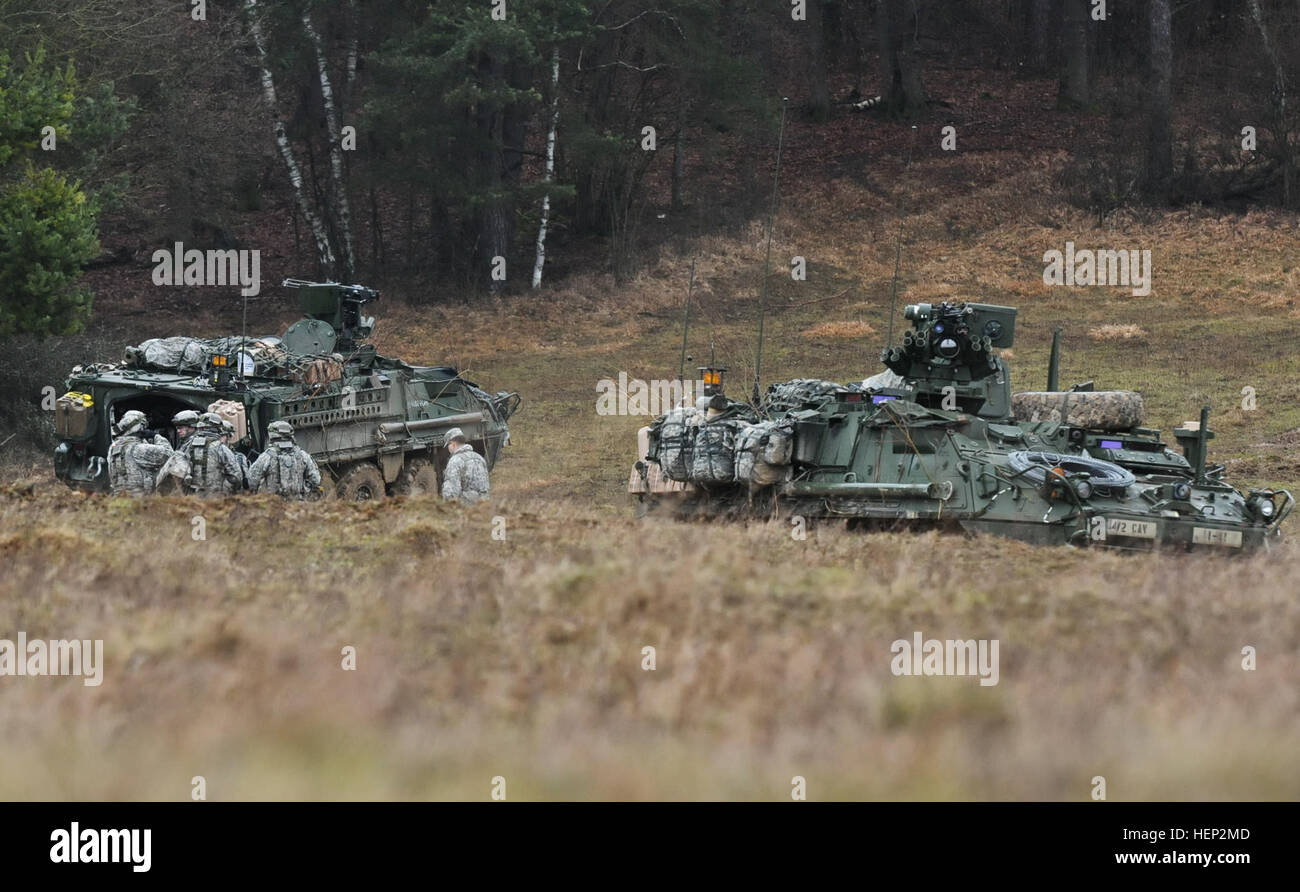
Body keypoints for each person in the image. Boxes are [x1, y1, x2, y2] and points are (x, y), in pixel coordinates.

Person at [247, 420, 321, 499]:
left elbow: (251, 482)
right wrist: (304, 490)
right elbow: (315, 480)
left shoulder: (266, 457)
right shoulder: (303, 455)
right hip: (298, 506)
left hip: (273, 506)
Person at [107, 410, 173, 496]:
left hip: (120, 498)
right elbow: (170, 454)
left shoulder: (113, 448)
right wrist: (155, 436)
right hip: (141, 501)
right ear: (140, 427)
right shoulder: (137, 449)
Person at [181, 412, 245, 496]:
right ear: (217, 428)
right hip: (215, 500)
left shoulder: (186, 446)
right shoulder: (221, 448)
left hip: (191, 499)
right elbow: (236, 476)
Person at [440, 427, 490, 504]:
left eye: (448, 446)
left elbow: (451, 492)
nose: (448, 449)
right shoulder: (480, 458)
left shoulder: (455, 461)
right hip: (483, 508)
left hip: (466, 511)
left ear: (453, 444)